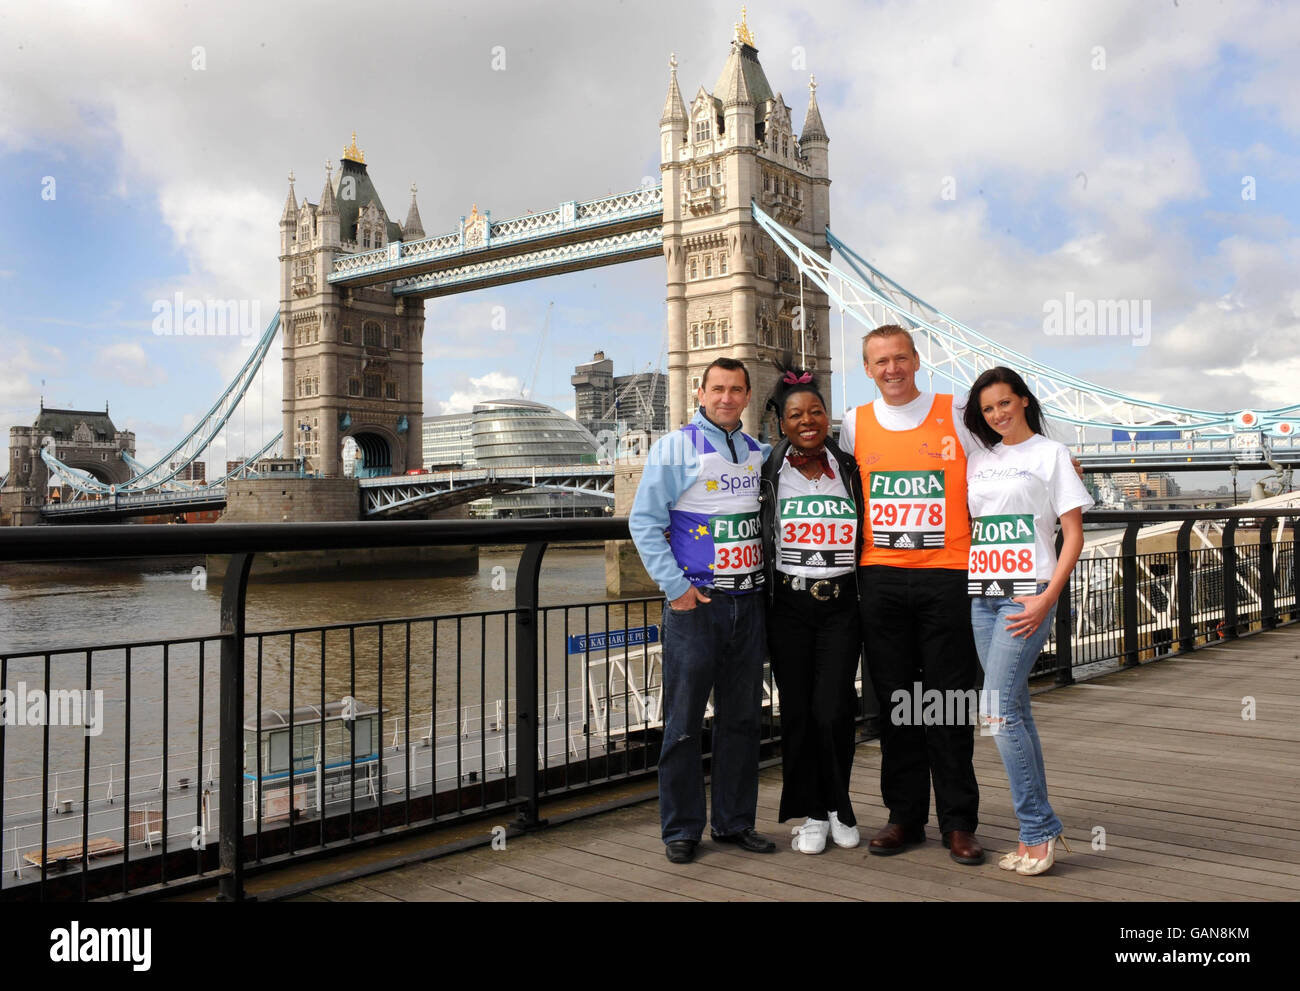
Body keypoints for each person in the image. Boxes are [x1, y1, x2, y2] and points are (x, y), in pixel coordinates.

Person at [839, 325, 986, 865]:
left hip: (947, 575)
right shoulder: (853, 424)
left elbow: (1004, 460)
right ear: (867, 368)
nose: (892, 369)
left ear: (917, 360)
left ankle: (959, 822)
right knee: (896, 701)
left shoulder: (957, 411)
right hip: (880, 576)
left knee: (949, 701)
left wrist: (1058, 464)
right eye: (880, 361)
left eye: (900, 358)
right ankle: (904, 817)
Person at [629, 357, 777, 864]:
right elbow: (644, 522)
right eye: (718, 389)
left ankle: (735, 823)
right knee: (684, 722)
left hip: (748, 601)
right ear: (700, 393)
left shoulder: (760, 453)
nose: (727, 398)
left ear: (748, 396)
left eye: (736, 390)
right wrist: (674, 589)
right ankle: (682, 828)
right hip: (697, 606)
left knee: (742, 721)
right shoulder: (676, 448)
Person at [963, 366, 1092, 876]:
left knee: (996, 713)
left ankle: (1037, 830)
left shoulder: (1052, 455)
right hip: (982, 595)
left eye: (1004, 404)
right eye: (988, 408)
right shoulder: (977, 458)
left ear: (1023, 402)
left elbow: (1073, 535)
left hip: (1027, 595)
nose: (997, 414)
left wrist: (1046, 599)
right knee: (1015, 709)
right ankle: (1042, 826)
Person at [759, 367, 866, 854]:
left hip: (842, 603)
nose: (808, 421)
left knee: (834, 709)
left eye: (816, 411)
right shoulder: (767, 471)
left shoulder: (852, 468)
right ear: (781, 423)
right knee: (799, 713)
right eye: (796, 414)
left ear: (829, 417)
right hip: (790, 605)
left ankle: (841, 803)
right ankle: (816, 813)